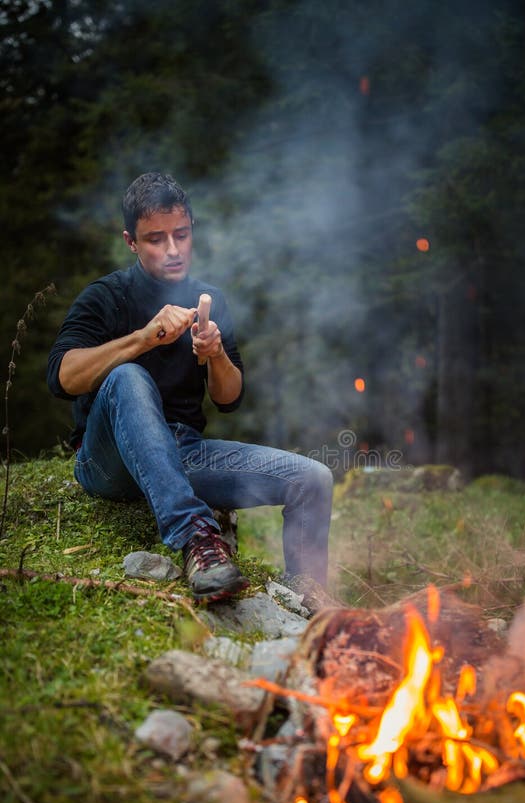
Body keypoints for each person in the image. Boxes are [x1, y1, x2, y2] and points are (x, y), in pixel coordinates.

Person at [47, 172, 333, 603]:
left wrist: (215, 352)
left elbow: (229, 398)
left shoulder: (208, 298)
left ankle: (307, 603)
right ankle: (196, 537)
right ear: (131, 242)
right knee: (127, 376)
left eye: (181, 234)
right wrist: (143, 338)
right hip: (108, 461)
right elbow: (63, 377)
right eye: (155, 239)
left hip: (183, 452)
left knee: (313, 477)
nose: (173, 249)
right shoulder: (105, 296)